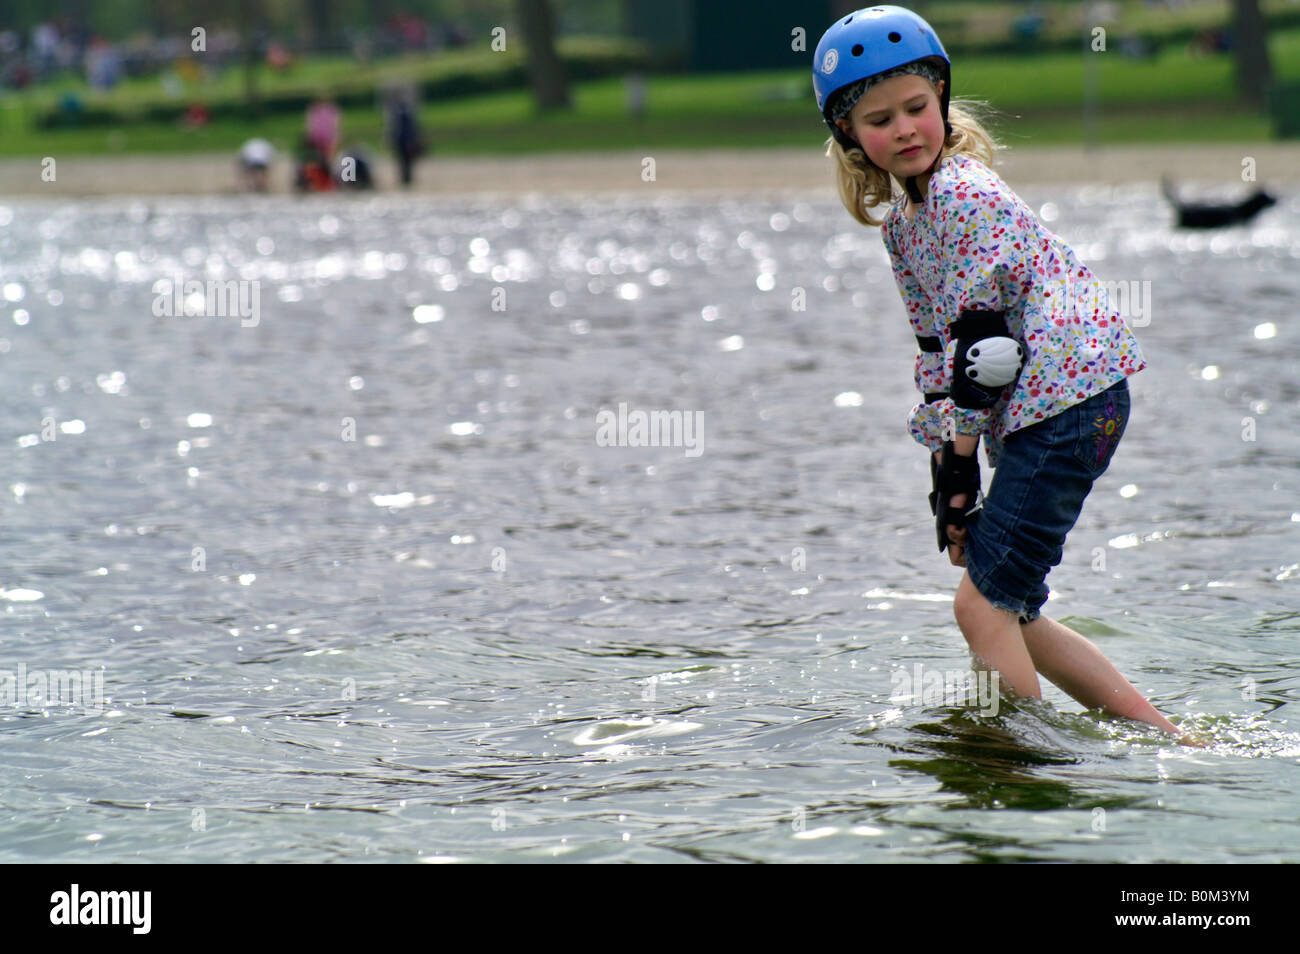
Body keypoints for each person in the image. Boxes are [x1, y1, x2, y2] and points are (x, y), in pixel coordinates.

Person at [813, 6, 1190, 740]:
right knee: (1009, 605)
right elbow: (937, 357)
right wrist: (946, 485)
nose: (905, 130)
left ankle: (1023, 763)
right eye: (880, 119)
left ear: (942, 101)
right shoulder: (904, 225)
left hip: (1066, 399)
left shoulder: (963, 193)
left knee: (979, 605)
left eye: (918, 108)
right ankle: (1167, 741)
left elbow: (986, 356)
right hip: (1047, 407)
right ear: (848, 136)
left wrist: (962, 470)